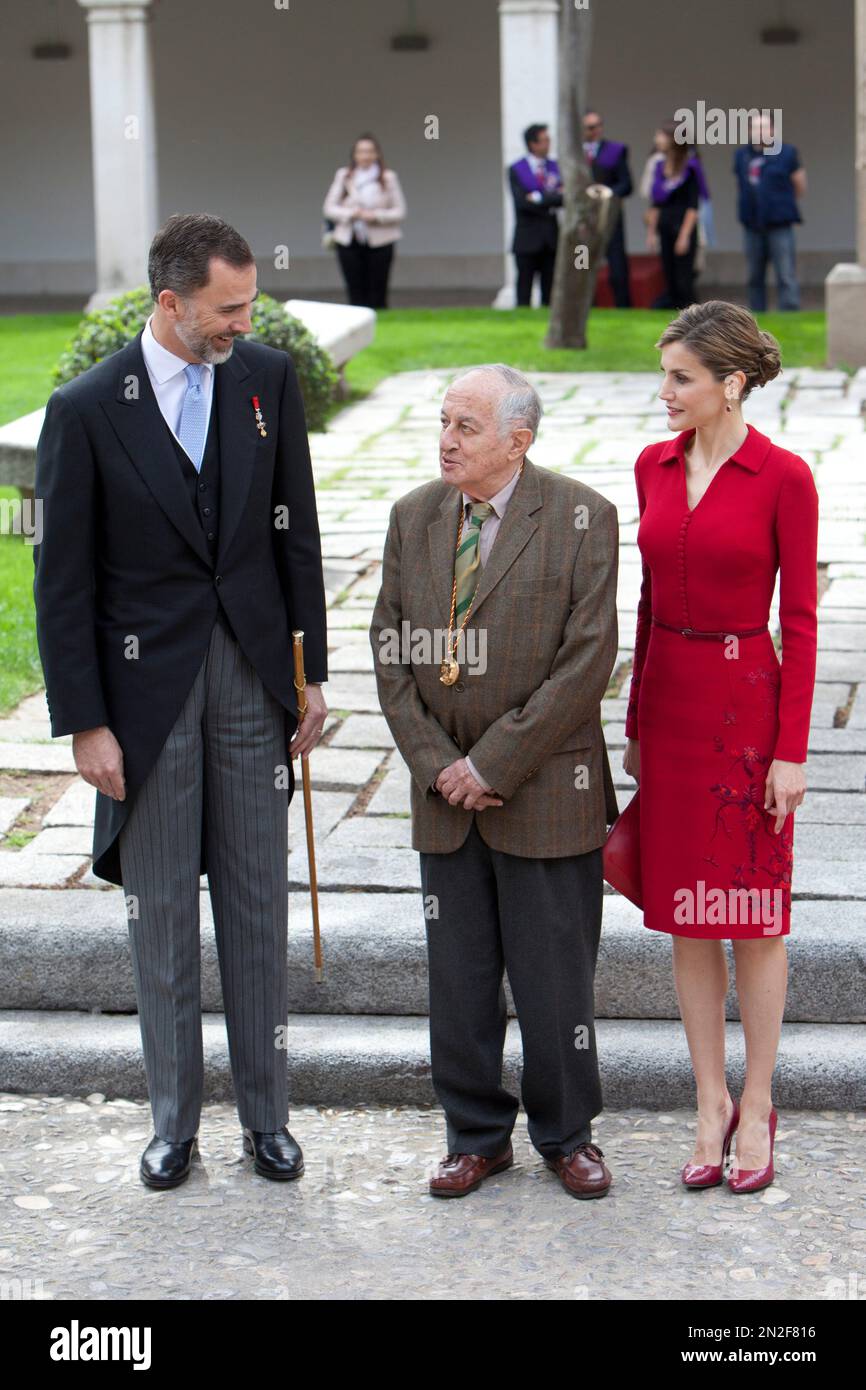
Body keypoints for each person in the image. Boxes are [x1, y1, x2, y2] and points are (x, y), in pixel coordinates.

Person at [32, 214, 329, 1189]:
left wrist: (308, 673)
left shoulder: (266, 382)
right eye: (226, 308)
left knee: (256, 908)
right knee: (159, 915)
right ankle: (172, 1124)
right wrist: (84, 720)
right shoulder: (84, 408)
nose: (244, 322)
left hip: (251, 680)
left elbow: (297, 536)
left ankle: (266, 1120)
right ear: (170, 302)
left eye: (247, 304)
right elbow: (62, 580)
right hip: (142, 702)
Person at [370, 364, 621, 1200]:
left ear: (519, 439)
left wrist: (495, 762)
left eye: (466, 427)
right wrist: (440, 764)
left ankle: (566, 1136)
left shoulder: (584, 516)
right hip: (445, 798)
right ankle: (476, 1136)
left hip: (546, 790)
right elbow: (391, 652)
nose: (445, 440)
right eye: (443, 422)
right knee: (460, 980)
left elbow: (586, 663)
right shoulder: (413, 516)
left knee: (556, 983)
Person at [622, 300, 818, 1194]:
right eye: (665, 375)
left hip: (749, 711)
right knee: (687, 915)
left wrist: (791, 751)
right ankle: (708, 1100)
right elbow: (648, 601)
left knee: (755, 915)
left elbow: (804, 626)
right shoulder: (651, 466)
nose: (664, 393)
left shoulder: (785, 477)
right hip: (669, 711)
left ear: (731, 384)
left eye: (681, 378)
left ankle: (761, 1100)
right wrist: (632, 722)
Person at [323, 133, 406, 309]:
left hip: (380, 240)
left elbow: (400, 211)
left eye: (369, 151)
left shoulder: (387, 178)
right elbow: (329, 208)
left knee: (378, 288)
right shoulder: (344, 176)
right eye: (361, 151)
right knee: (355, 288)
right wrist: (351, 213)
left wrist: (375, 216)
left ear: (376, 154)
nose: (365, 155)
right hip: (348, 239)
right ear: (354, 155)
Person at [734, 112, 805, 311]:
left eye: (764, 127)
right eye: (756, 128)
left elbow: (799, 184)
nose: (760, 132)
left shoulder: (787, 153)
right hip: (752, 224)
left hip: (779, 223)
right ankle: (756, 314)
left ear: (773, 130)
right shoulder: (742, 155)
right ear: (750, 131)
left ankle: (789, 312)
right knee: (754, 275)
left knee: (785, 274)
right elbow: (741, 185)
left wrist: (781, 204)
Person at [646, 122, 701, 309]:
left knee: (683, 278)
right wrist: (651, 233)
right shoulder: (660, 166)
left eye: (660, 135)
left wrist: (684, 236)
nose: (657, 140)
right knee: (669, 275)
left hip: (682, 226)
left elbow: (693, 206)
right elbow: (656, 203)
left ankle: (693, 317)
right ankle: (675, 318)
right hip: (665, 225)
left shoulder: (691, 167)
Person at [582, 109, 633, 307]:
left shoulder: (615, 150)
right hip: (583, 222)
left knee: (617, 267)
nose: (596, 131)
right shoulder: (573, 153)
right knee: (582, 264)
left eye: (598, 125)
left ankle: (623, 306)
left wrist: (606, 193)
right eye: (590, 127)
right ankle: (585, 307)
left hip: (610, 217)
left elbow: (626, 184)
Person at [508, 124, 563, 306]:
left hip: (551, 237)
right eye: (545, 140)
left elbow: (564, 198)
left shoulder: (556, 167)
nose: (549, 144)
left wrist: (538, 197)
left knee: (550, 291)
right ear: (533, 144)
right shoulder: (517, 169)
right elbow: (521, 203)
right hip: (527, 238)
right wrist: (551, 198)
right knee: (524, 287)